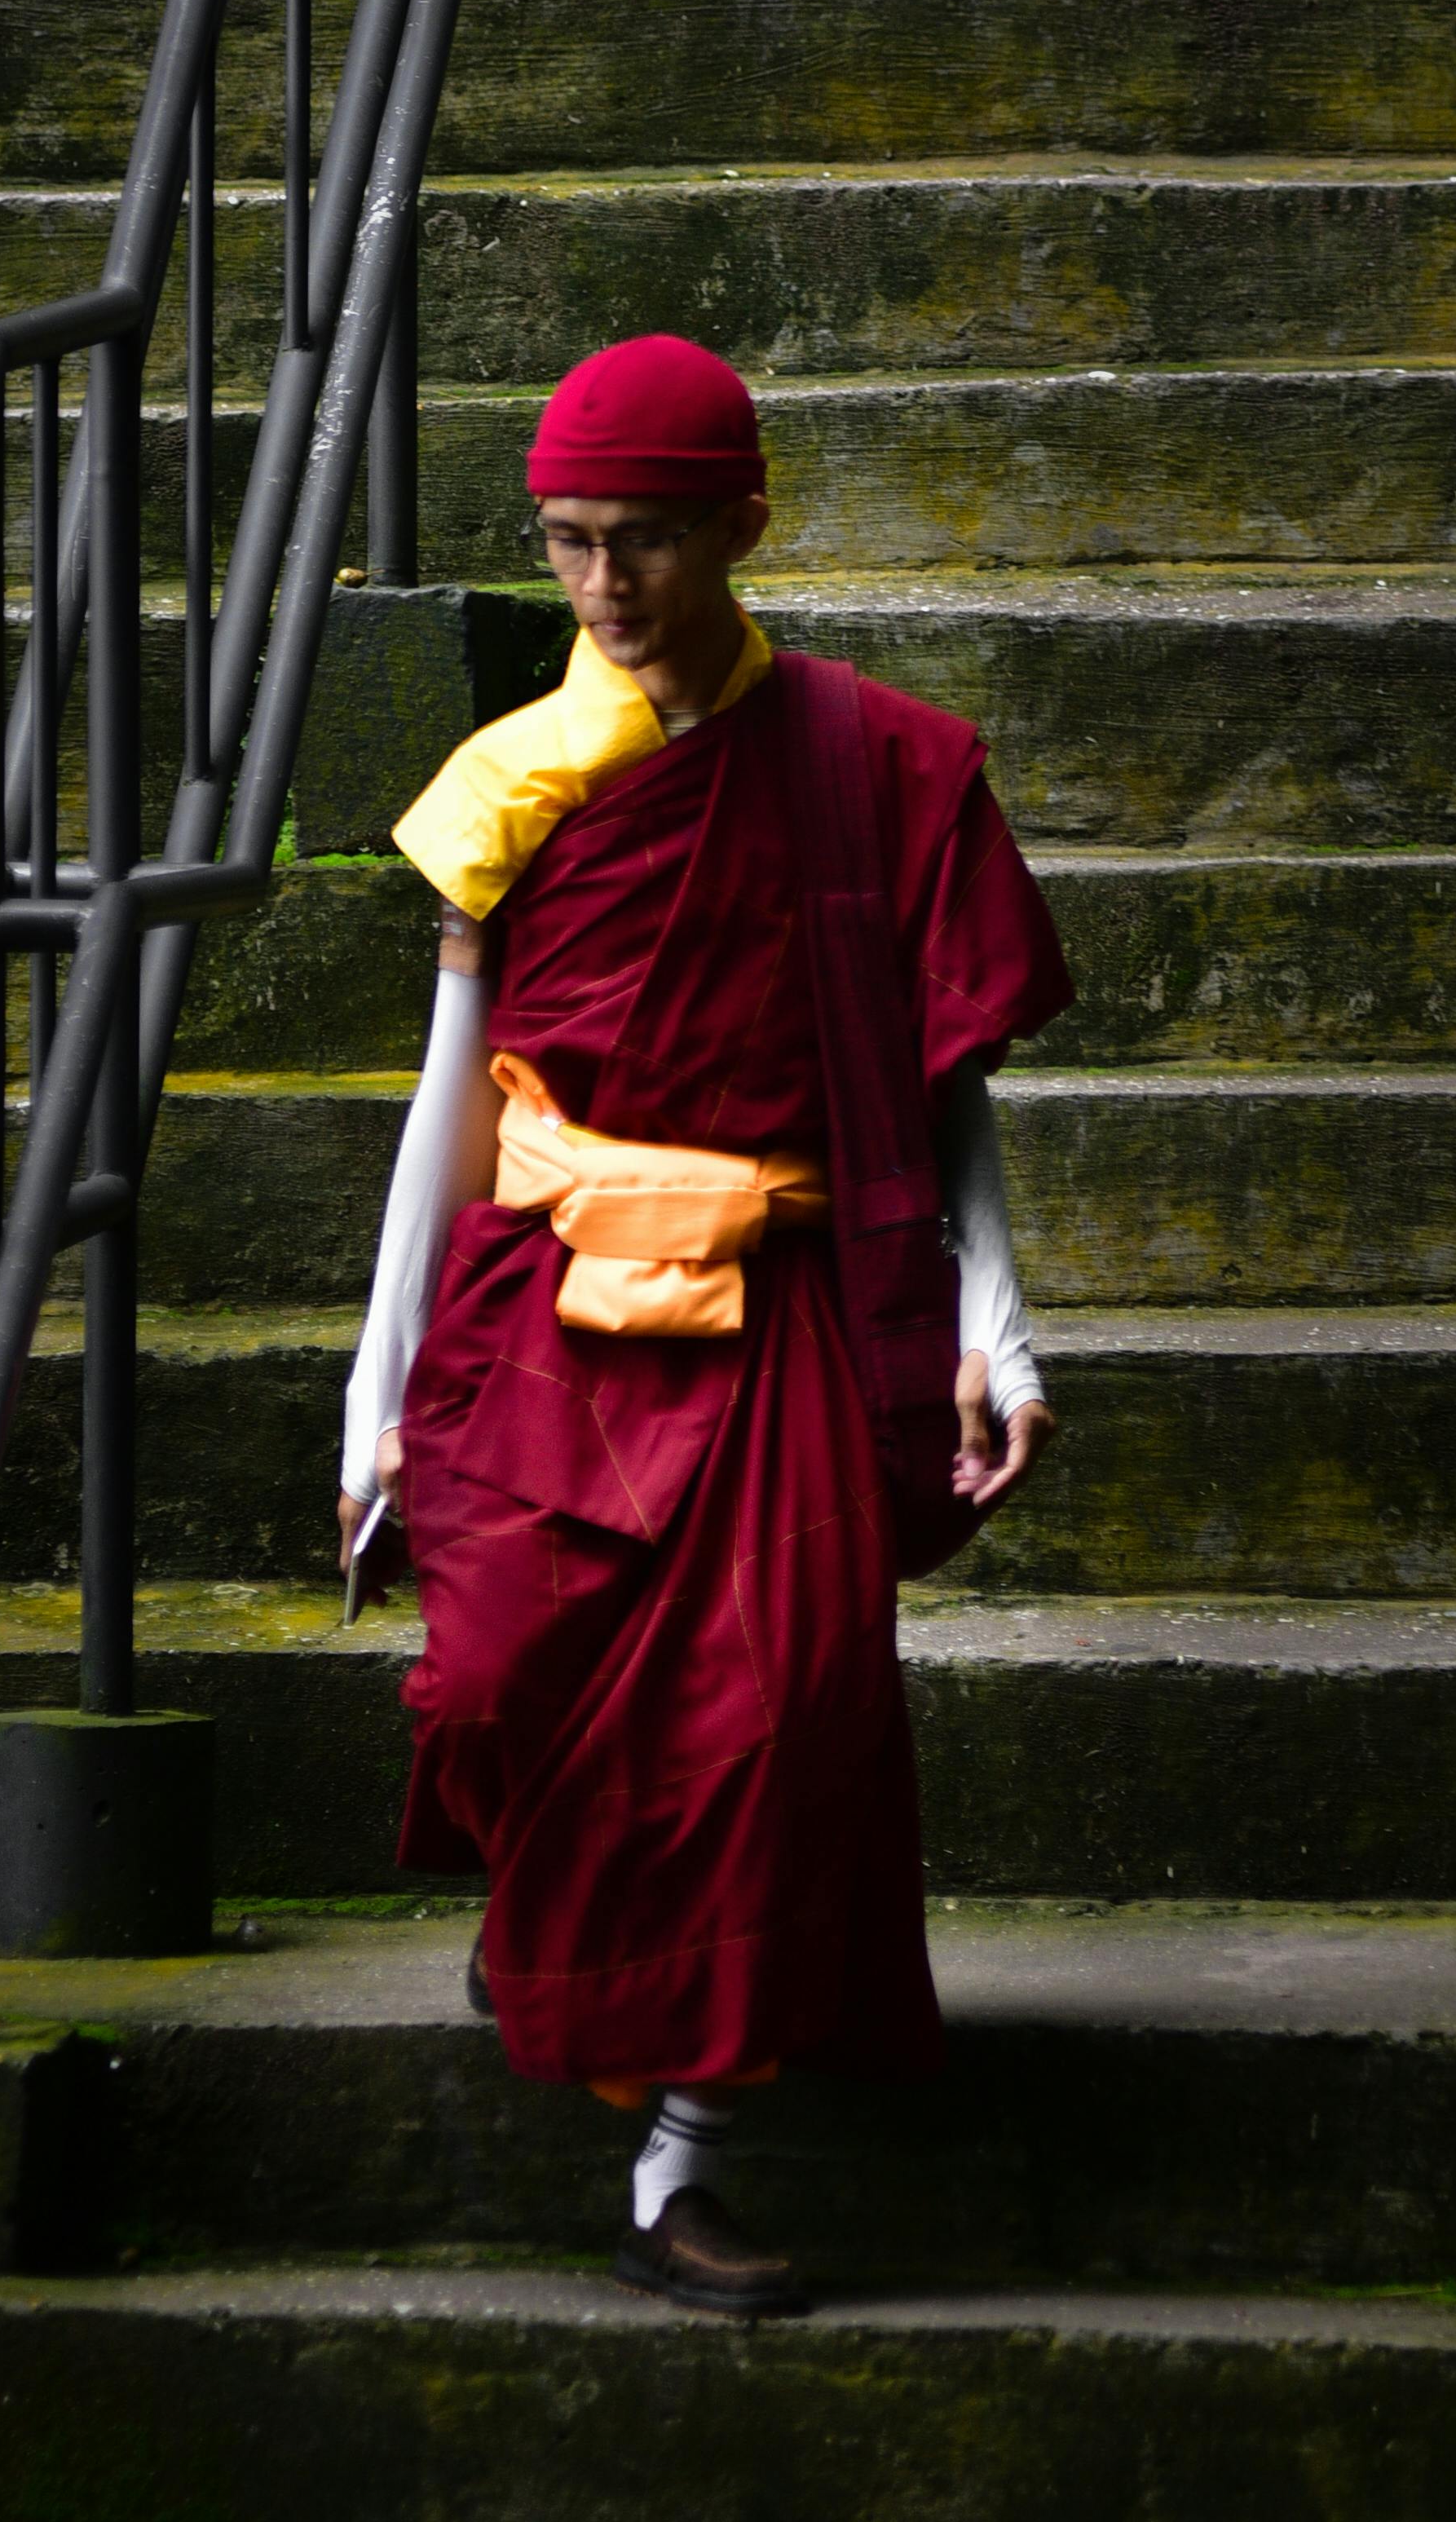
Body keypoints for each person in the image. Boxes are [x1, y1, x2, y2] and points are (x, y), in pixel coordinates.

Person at [335, 331, 1074, 2317]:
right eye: (570, 544)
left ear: (740, 523)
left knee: (770, 1732)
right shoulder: (506, 785)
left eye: (642, 542)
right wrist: (374, 1388)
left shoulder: (876, 763)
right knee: (489, 1684)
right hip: (539, 1310)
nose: (601, 588)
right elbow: (452, 1097)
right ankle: (548, 1913)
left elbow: (937, 1080)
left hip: (781, 1318)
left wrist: (991, 1329)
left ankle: (682, 2165)